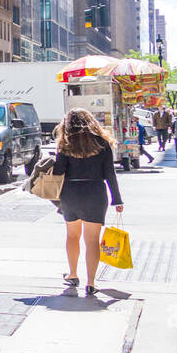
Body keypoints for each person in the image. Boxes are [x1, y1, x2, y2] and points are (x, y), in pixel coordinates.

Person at [54, 108, 125, 296]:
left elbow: (58, 171)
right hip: (95, 192)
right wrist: (117, 198)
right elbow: (110, 173)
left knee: (72, 236)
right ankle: (91, 282)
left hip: (71, 193)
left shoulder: (65, 144)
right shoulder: (102, 143)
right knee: (92, 240)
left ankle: (73, 274)